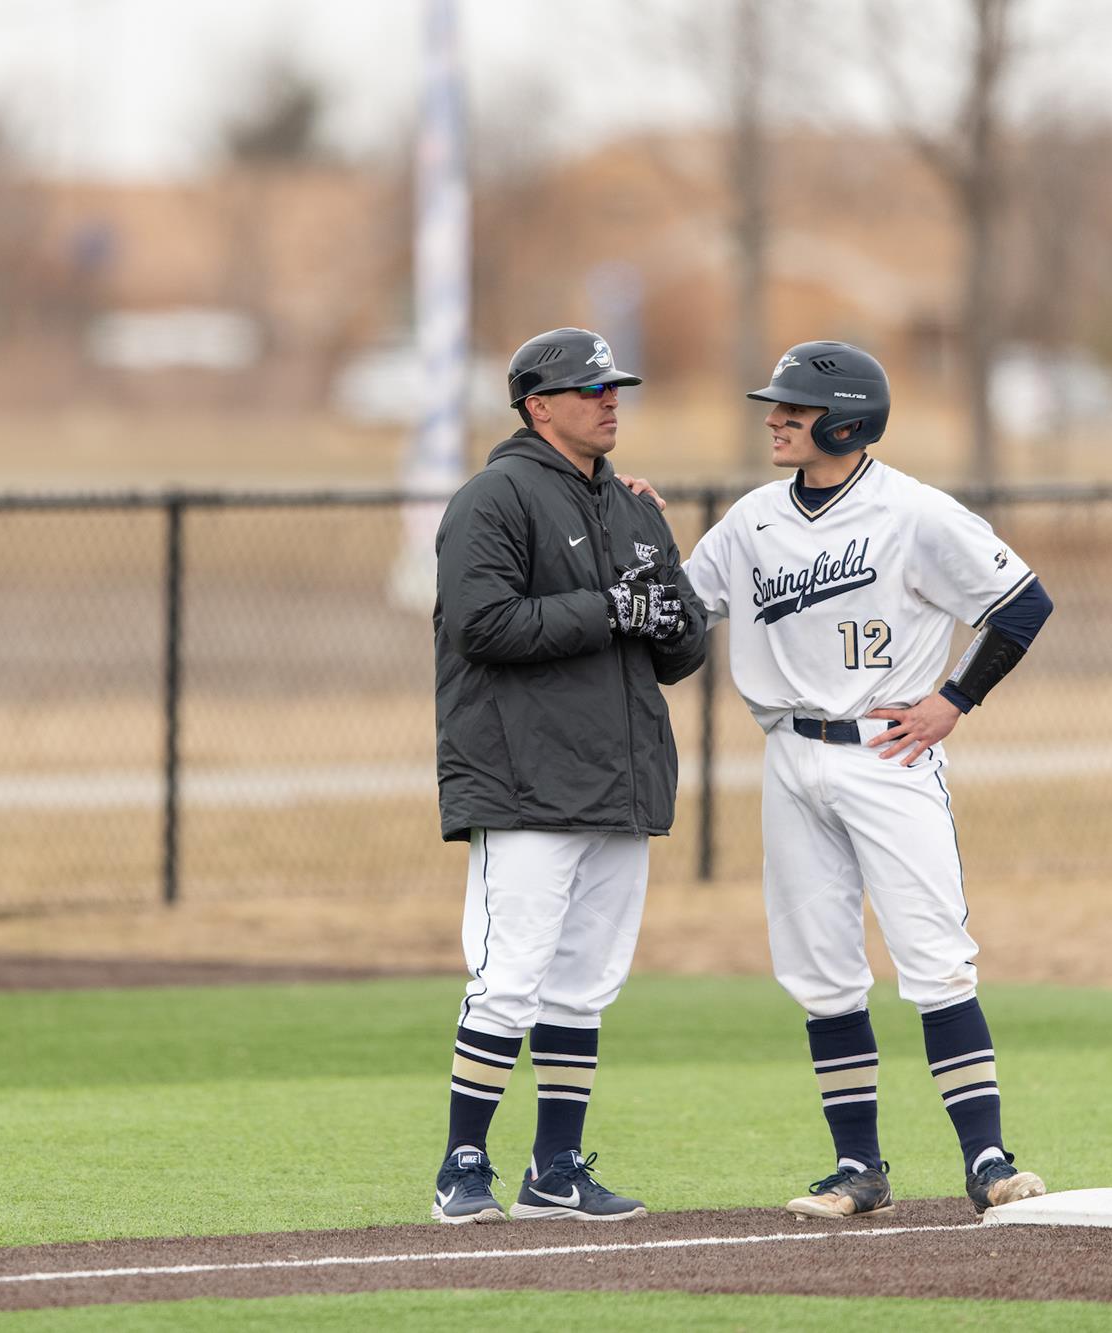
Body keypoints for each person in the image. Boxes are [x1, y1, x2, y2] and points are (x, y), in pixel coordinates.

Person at [676, 341, 1054, 1218]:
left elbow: (1023, 602)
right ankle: (859, 1169)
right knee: (821, 972)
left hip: (888, 756)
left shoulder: (913, 512)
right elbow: (684, 614)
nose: (774, 418)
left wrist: (955, 698)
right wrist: (637, 536)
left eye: (794, 408)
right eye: (776, 405)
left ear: (845, 420)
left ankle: (989, 1160)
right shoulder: (753, 519)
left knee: (933, 958)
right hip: (789, 755)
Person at [428, 327, 709, 1224]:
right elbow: (483, 624)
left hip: (617, 781)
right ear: (536, 405)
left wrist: (665, 615)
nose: (610, 399)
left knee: (584, 984)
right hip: (524, 780)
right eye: (590, 388)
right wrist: (611, 608)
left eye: (614, 385)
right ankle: (461, 1162)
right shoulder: (494, 496)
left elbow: (682, 650)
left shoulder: (632, 506)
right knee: (509, 979)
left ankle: (555, 1168)